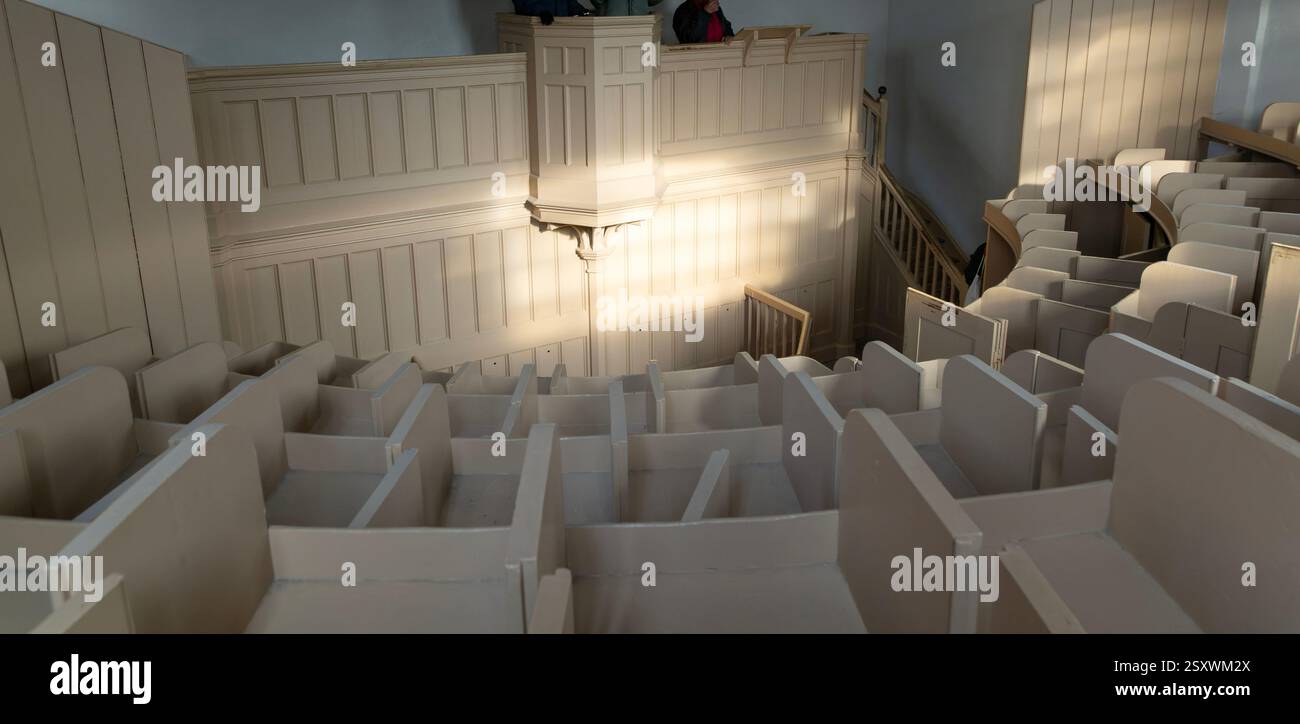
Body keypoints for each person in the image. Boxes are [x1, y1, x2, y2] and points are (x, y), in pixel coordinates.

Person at [513, 0, 592, 25]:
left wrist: (586, 12)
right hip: (540, 29)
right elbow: (523, 4)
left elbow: (571, 4)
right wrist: (541, 12)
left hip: (563, 31)